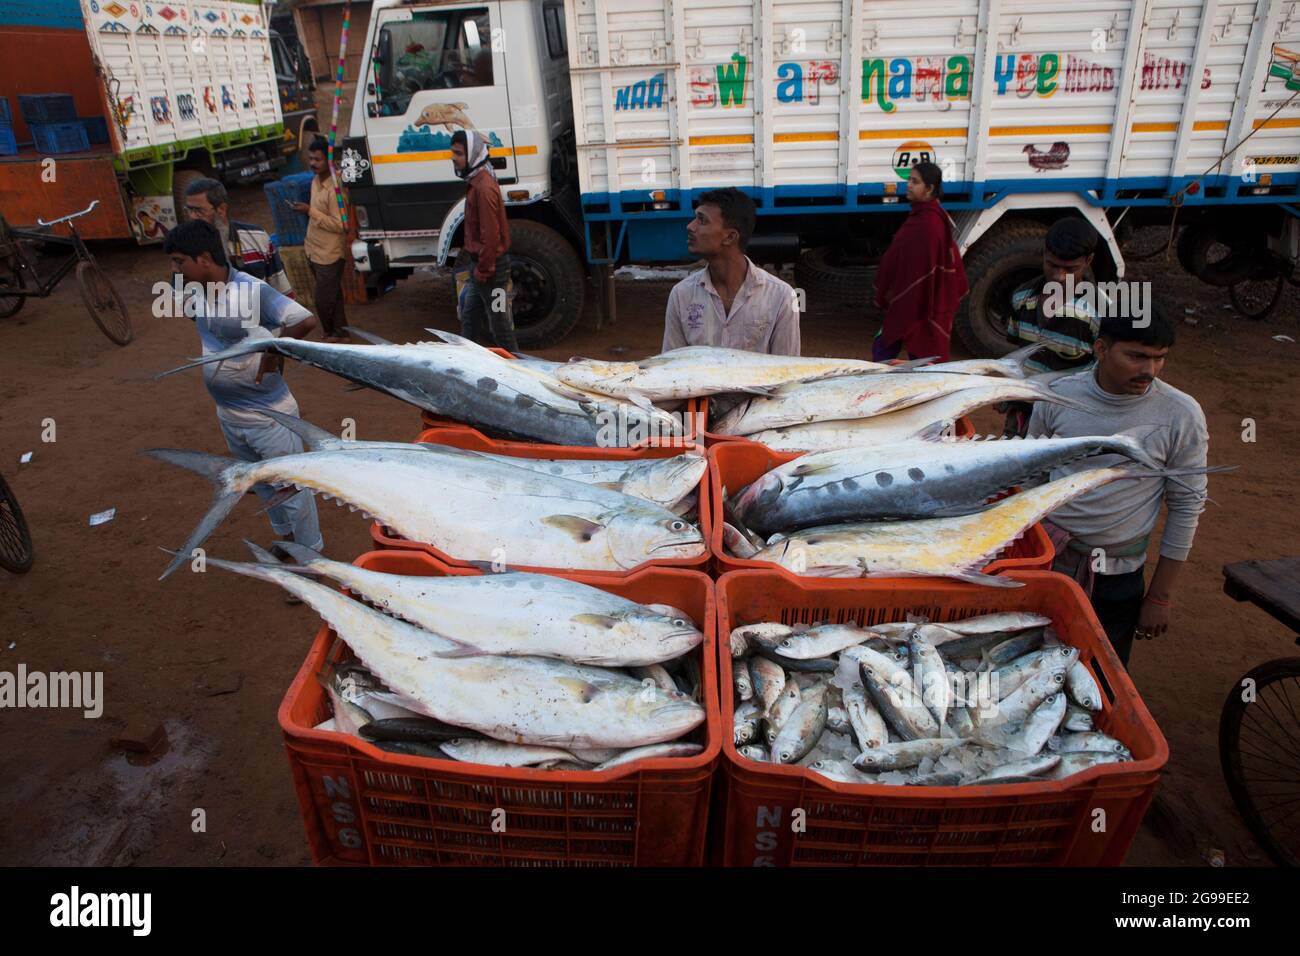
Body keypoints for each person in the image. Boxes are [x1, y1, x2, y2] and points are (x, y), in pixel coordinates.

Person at [1027, 307, 1210, 667]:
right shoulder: (1055, 394)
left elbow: (1187, 506)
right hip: (1047, 563)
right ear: (1100, 349)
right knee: (1030, 664)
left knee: (1100, 676)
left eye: (1160, 358)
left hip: (1118, 577)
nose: (1149, 370)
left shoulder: (1181, 414)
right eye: (1137, 356)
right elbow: (1029, 475)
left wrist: (1159, 597)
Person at [163, 220, 324, 599]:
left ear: (204, 259)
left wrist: (274, 350)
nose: (175, 270)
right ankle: (284, 544)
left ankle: (311, 563)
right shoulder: (196, 291)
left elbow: (305, 320)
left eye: (179, 261)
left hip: (270, 417)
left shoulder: (251, 290)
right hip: (230, 415)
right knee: (261, 484)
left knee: (293, 489)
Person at [663, 187, 800, 355]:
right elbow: (672, 367)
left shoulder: (781, 296)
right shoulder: (681, 295)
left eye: (702, 220)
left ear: (730, 237)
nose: (690, 226)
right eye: (694, 218)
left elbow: (787, 371)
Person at [1001, 218, 1105, 435]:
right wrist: (1006, 392)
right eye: (1052, 264)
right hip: (1021, 412)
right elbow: (1016, 353)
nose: (1058, 276)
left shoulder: (1100, 312)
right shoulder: (1021, 297)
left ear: (1089, 260)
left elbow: (1103, 373)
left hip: (1067, 421)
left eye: (1069, 269)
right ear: (1044, 254)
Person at [872, 162, 968, 362]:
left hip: (920, 301)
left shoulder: (929, 223)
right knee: (892, 347)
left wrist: (896, 290)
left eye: (915, 182)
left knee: (917, 353)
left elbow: (924, 269)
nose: (908, 185)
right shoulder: (923, 216)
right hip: (911, 298)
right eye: (909, 180)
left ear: (929, 189)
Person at [451, 128, 518, 350]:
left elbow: (491, 236)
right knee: (469, 321)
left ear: (472, 155)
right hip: (480, 269)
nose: (454, 158)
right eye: (453, 152)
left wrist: (484, 269)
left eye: (459, 153)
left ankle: (519, 369)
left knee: (500, 326)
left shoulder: (484, 188)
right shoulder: (476, 181)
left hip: (491, 272)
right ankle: (465, 365)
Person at [183, 177, 294, 296]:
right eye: (189, 210)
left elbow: (283, 293)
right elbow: (181, 304)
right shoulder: (183, 247)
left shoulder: (257, 237)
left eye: (198, 210)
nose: (193, 216)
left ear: (221, 209)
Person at [290, 137, 349, 343]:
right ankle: (339, 333)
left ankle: (334, 332)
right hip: (314, 249)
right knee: (333, 295)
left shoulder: (335, 188)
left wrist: (310, 211)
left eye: (318, 159)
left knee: (323, 299)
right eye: (311, 158)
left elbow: (341, 225)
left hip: (330, 253)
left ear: (329, 161)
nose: (313, 163)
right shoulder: (316, 181)